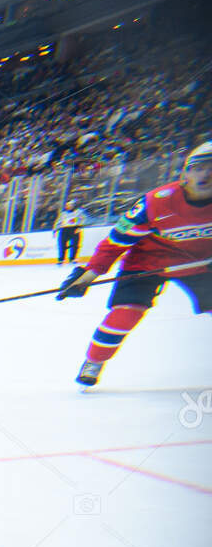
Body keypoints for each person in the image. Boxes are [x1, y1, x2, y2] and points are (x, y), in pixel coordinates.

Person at [57, 141, 212, 387]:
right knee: (125, 313)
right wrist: (88, 275)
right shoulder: (155, 203)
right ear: (185, 174)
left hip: (200, 263)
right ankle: (94, 361)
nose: (206, 174)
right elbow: (116, 241)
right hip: (146, 263)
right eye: (199, 167)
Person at [54, 200, 85, 265]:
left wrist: (80, 227)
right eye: (67, 205)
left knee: (75, 244)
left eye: (70, 205)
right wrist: (55, 229)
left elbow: (83, 219)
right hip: (64, 229)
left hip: (74, 228)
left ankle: (73, 258)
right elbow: (58, 222)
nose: (68, 206)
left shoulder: (78, 212)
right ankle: (61, 259)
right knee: (62, 244)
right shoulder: (63, 214)